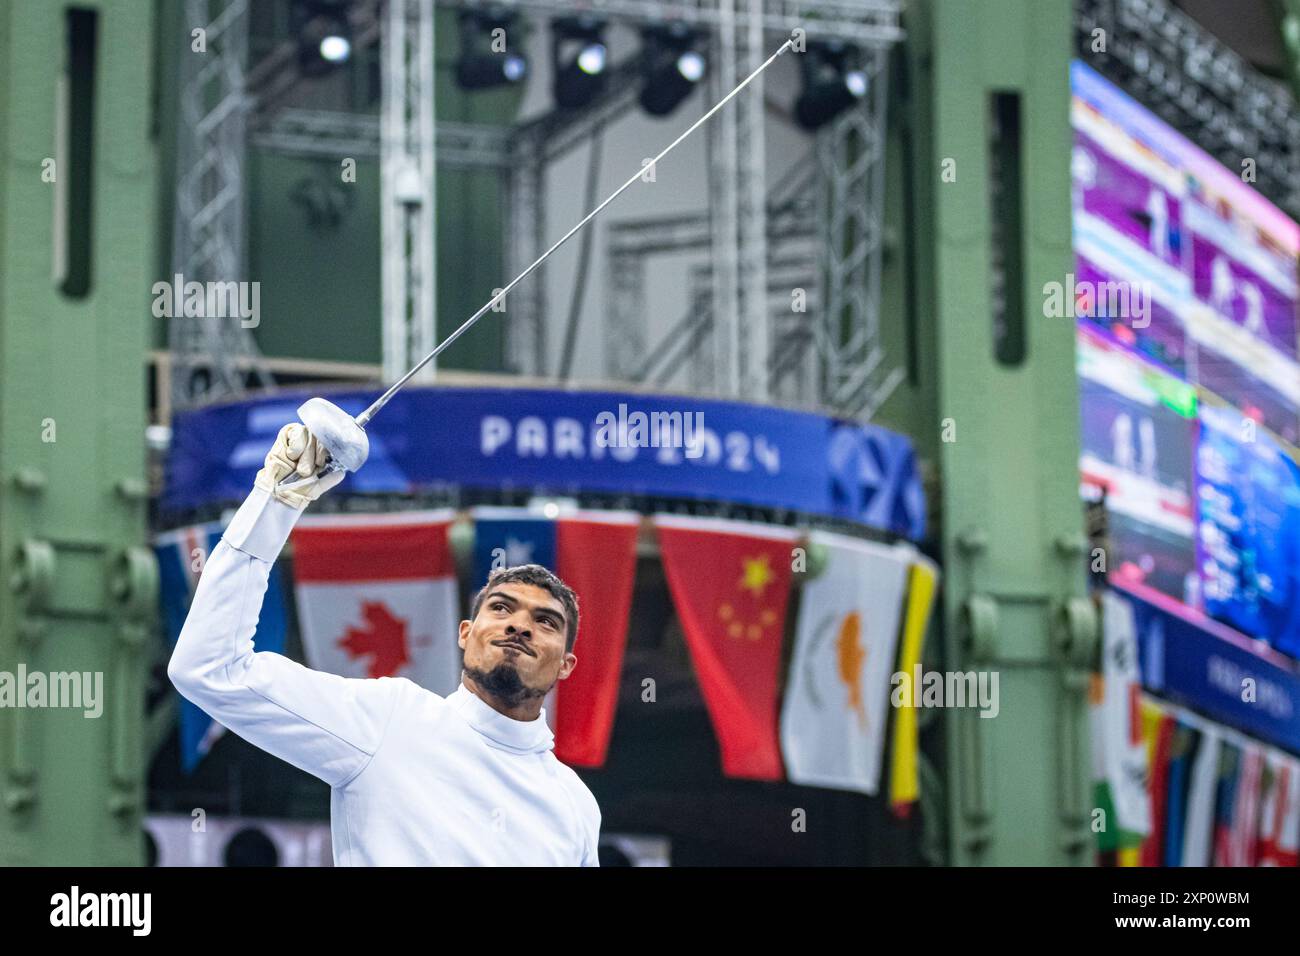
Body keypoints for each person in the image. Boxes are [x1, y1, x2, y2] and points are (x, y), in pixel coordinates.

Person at [168, 422, 601, 865]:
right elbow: (211, 668)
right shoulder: (390, 720)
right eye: (502, 609)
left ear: (567, 665)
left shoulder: (574, 805)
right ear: (465, 633)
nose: (519, 626)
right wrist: (276, 500)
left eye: (545, 621)